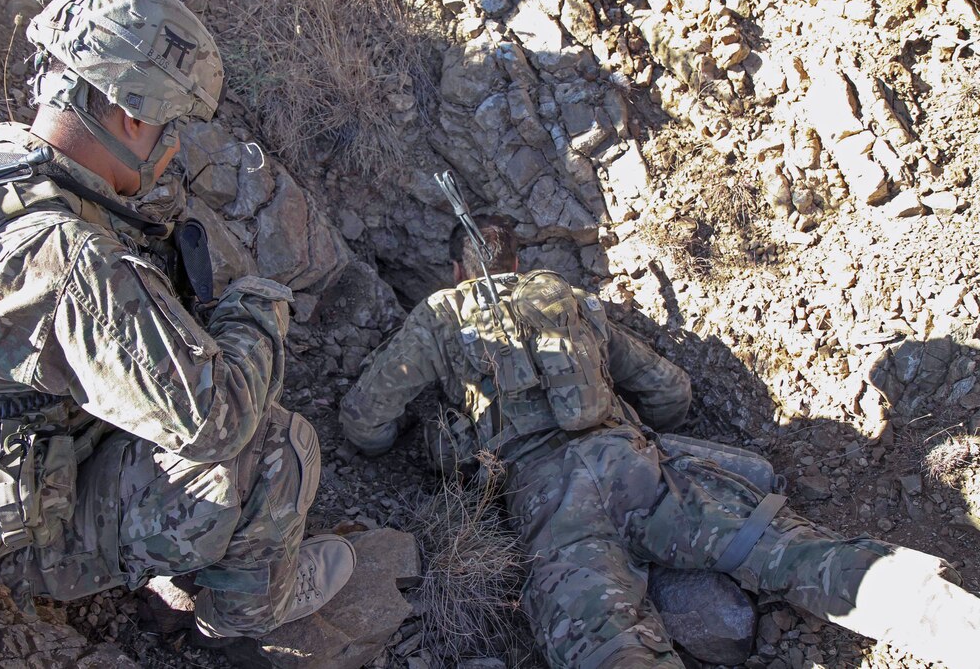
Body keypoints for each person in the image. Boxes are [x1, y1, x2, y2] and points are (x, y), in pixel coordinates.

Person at [0, 0, 354, 640]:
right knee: (276, 445)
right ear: (131, 115)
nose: (171, 150)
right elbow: (218, 419)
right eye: (171, 129)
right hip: (20, 533)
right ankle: (245, 615)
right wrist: (256, 310)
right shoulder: (71, 261)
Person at [339, 214, 980, 668]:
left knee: (609, 648)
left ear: (456, 268)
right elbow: (670, 389)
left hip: (552, 506)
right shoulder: (572, 301)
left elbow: (364, 422)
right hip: (640, 466)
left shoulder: (439, 316)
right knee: (790, 554)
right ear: (517, 265)